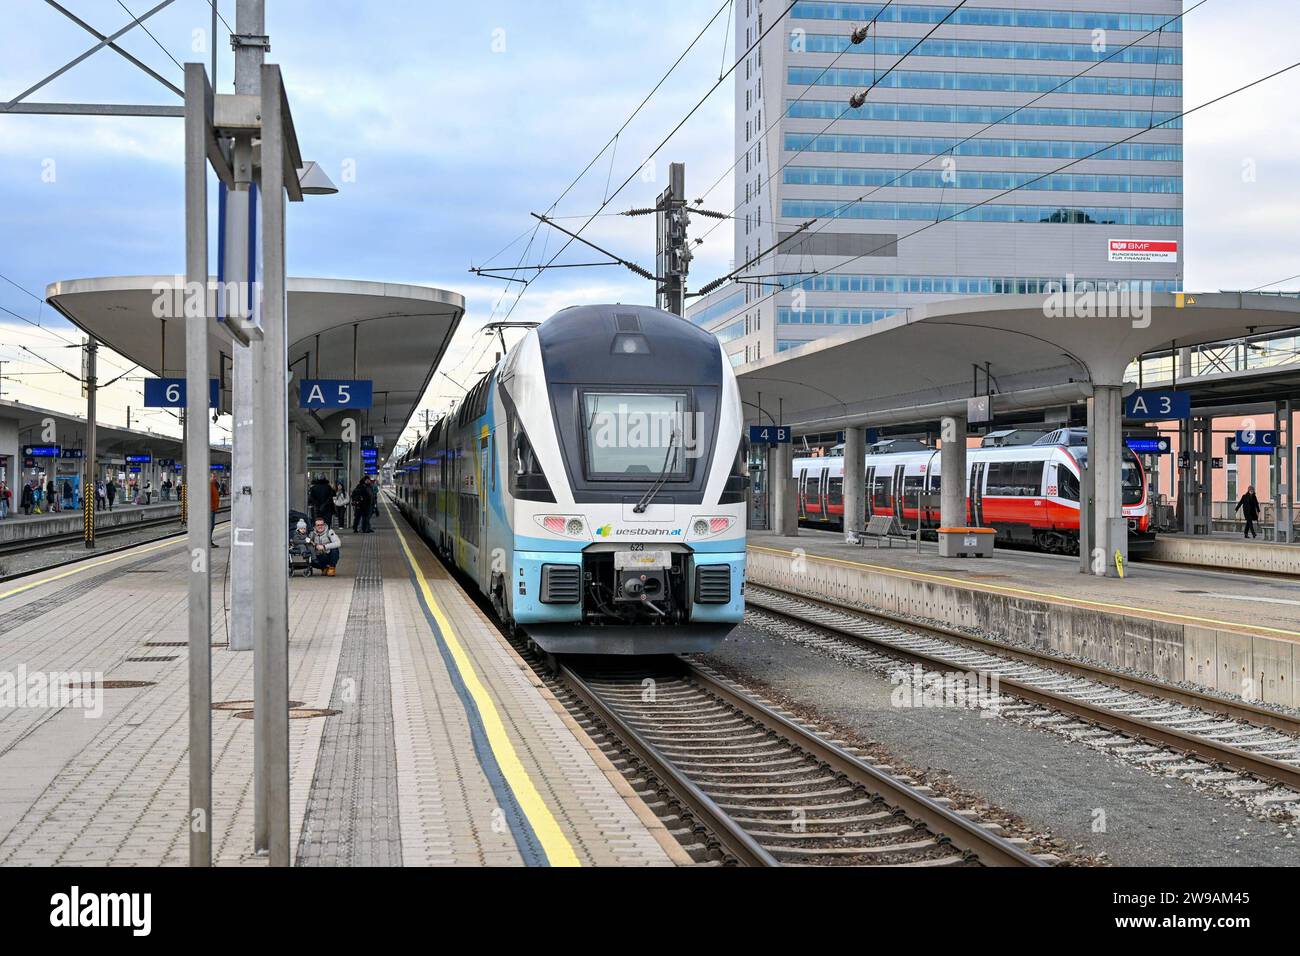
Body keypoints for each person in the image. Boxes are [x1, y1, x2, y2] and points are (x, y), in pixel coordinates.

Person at [209, 473, 221, 547]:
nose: (215, 478)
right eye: (213, 477)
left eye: (215, 477)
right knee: (210, 526)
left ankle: (209, 541)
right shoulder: (210, 485)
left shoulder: (214, 485)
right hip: (210, 509)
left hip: (213, 508)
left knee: (211, 526)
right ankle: (208, 542)